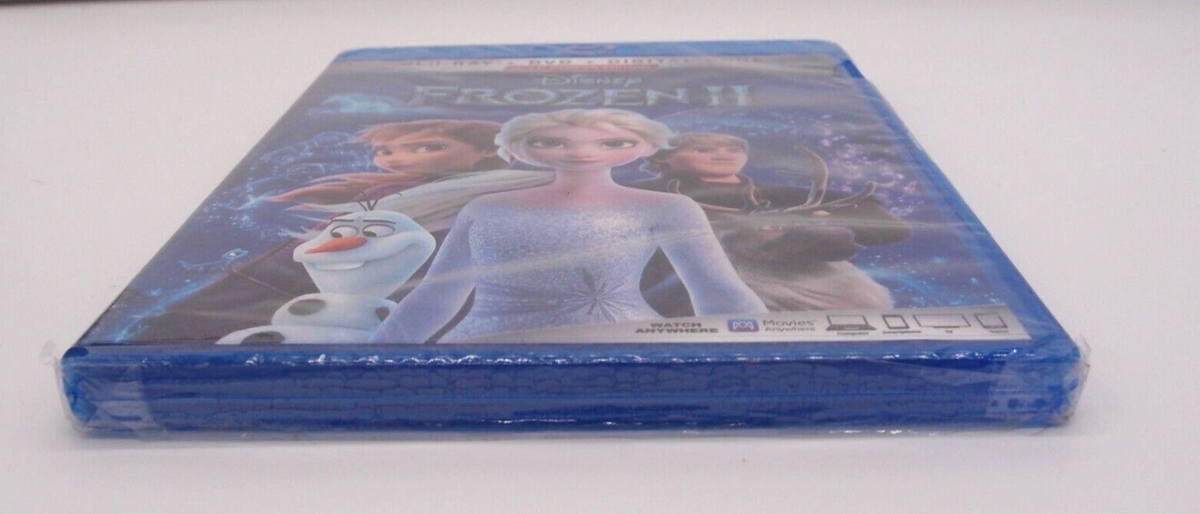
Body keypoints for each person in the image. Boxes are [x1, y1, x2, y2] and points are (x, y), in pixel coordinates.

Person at [371, 109, 766, 344]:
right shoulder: (485, 208)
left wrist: (759, 348)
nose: (581, 152)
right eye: (552, 142)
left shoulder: (667, 207)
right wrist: (378, 356)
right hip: (485, 349)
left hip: (624, 347)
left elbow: (717, 291)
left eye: (611, 143)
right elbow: (437, 295)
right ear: (519, 149)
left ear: (646, 147)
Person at [135, 120, 511, 343]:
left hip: (388, 298)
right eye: (386, 152)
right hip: (293, 282)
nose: (398, 159)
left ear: (484, 151)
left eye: (427, 147)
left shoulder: (493, 195)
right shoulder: (381, 191)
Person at [631, 133, 912, 314]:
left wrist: (827, 222)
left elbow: (890, 228)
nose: (724, 154)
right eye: (703, 149)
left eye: (733, 148)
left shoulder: (789, 195)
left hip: (813, 290)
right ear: (663, 158)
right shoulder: (634, 194)